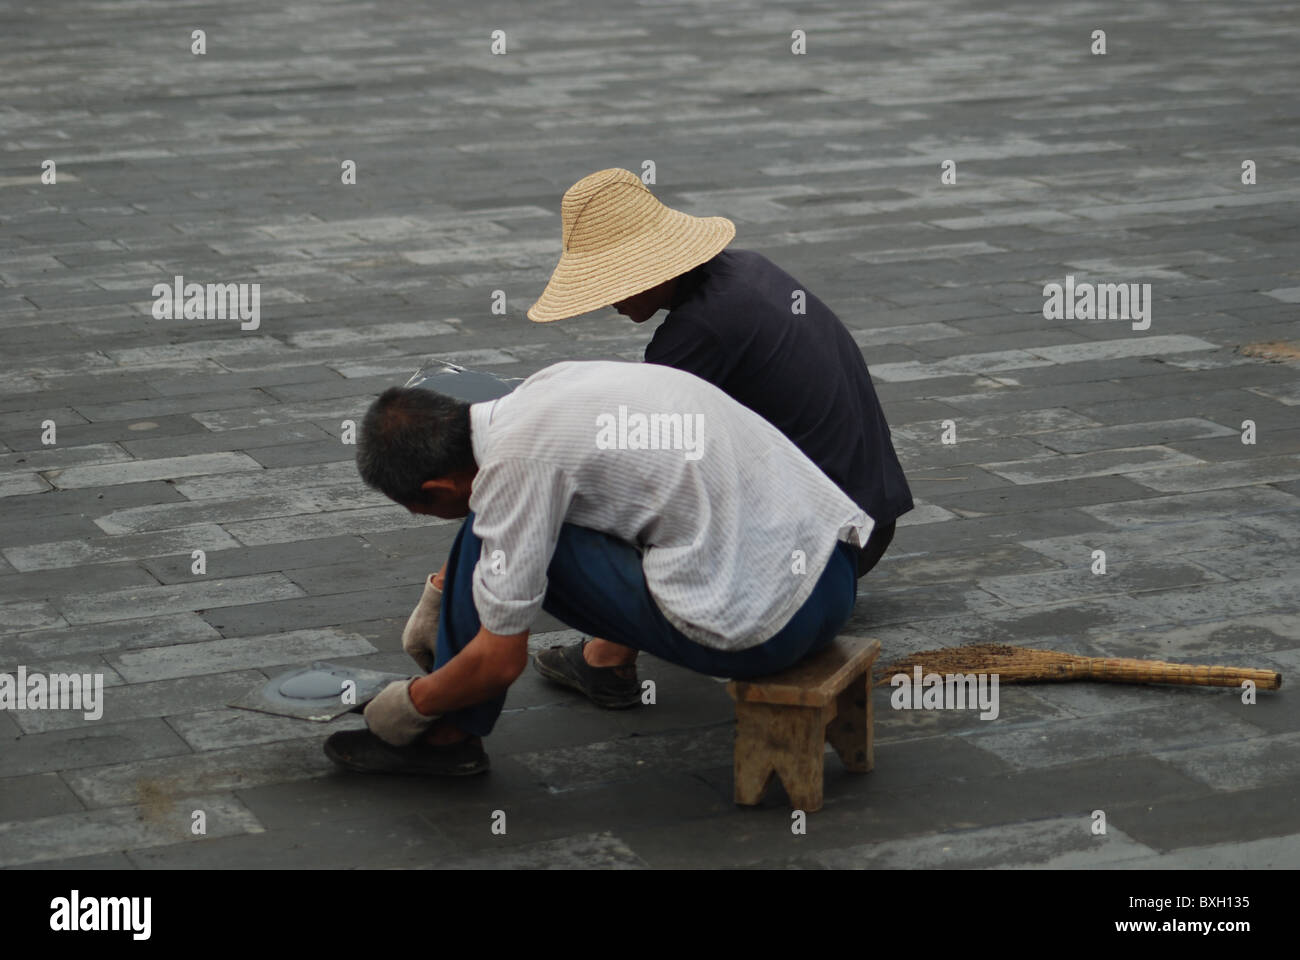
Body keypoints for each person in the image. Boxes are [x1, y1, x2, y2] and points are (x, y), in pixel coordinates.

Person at [324, 360, 872, 776]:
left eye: (421, 509)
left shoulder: (516, 469)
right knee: (496, 526)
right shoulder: (546, 387)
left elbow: (500, 661)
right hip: (834, 577)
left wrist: (407, 705)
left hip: (767, 631)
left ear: (434, 488)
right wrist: (445, 591)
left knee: (491, 528)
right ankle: (534, 689)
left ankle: (446, 735)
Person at [520, 168, 912, 706]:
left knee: (614, 490)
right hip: (865, 519)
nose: (605, 301)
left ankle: (608, 658)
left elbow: (636, 468)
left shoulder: (695, 334)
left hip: (825, 543)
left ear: (653, 266)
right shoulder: (748, 272)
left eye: (611, 282)